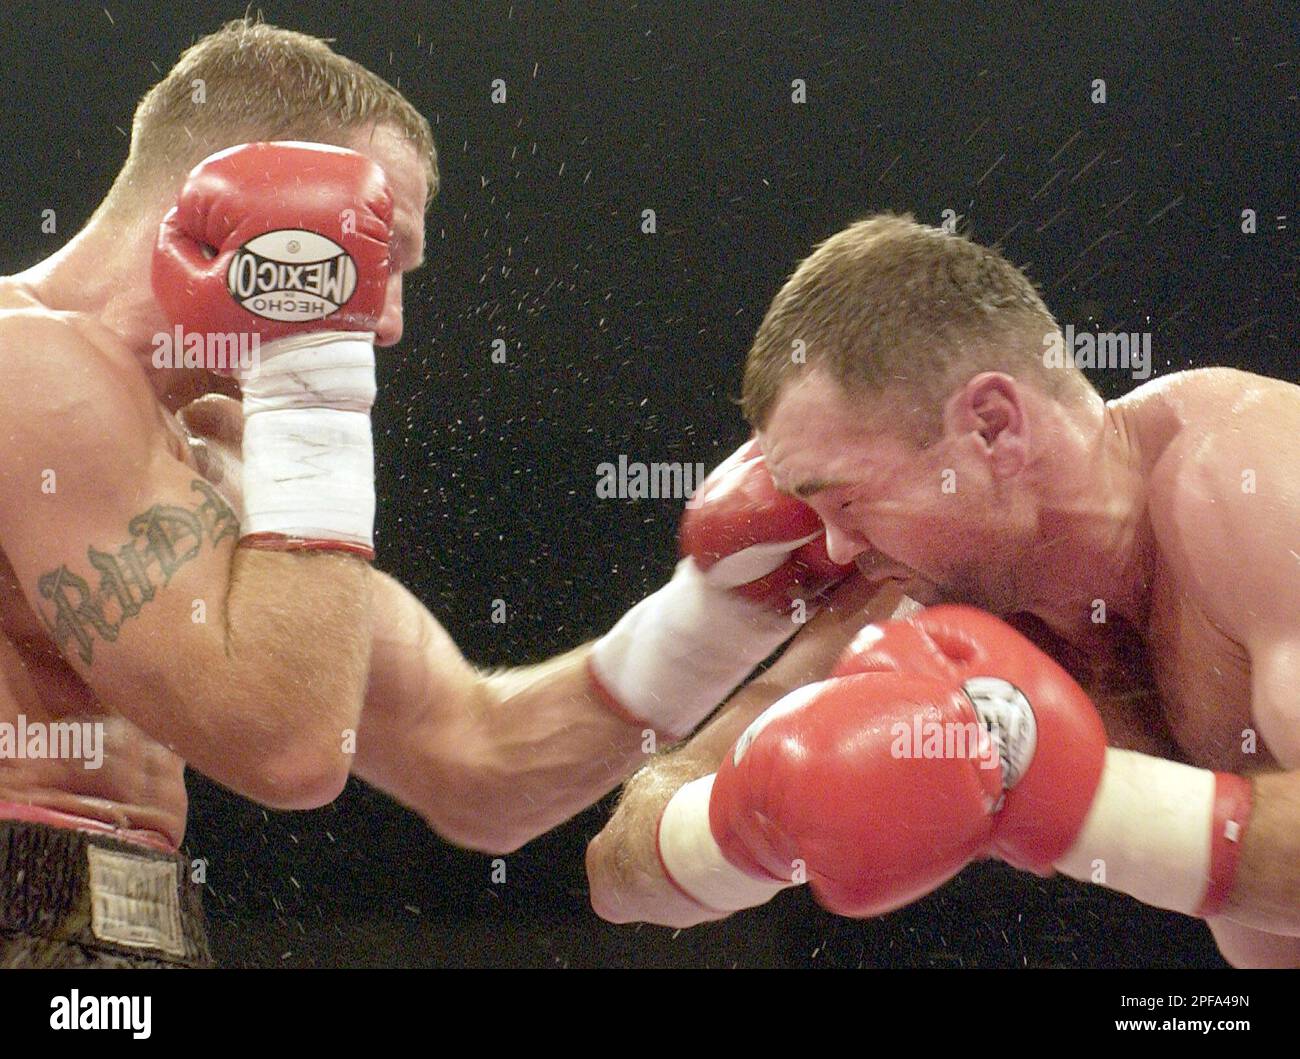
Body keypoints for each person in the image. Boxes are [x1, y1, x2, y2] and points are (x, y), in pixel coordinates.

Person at [0, 18, 856, 967]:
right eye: (372, 254)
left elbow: (478, 764)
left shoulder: (225, 449)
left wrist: (733, 606)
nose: (391, 322)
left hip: (123, 939)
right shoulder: (27, 365)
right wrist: (313, 372)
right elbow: (288, 749)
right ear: (238, 208)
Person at [586, 212, 1300, 968]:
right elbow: (616, 874)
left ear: (992, 427)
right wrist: (723, 828)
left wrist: (1078, 802)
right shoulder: (933, 594)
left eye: (846, 499)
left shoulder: (1252, 487)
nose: (832, 548)